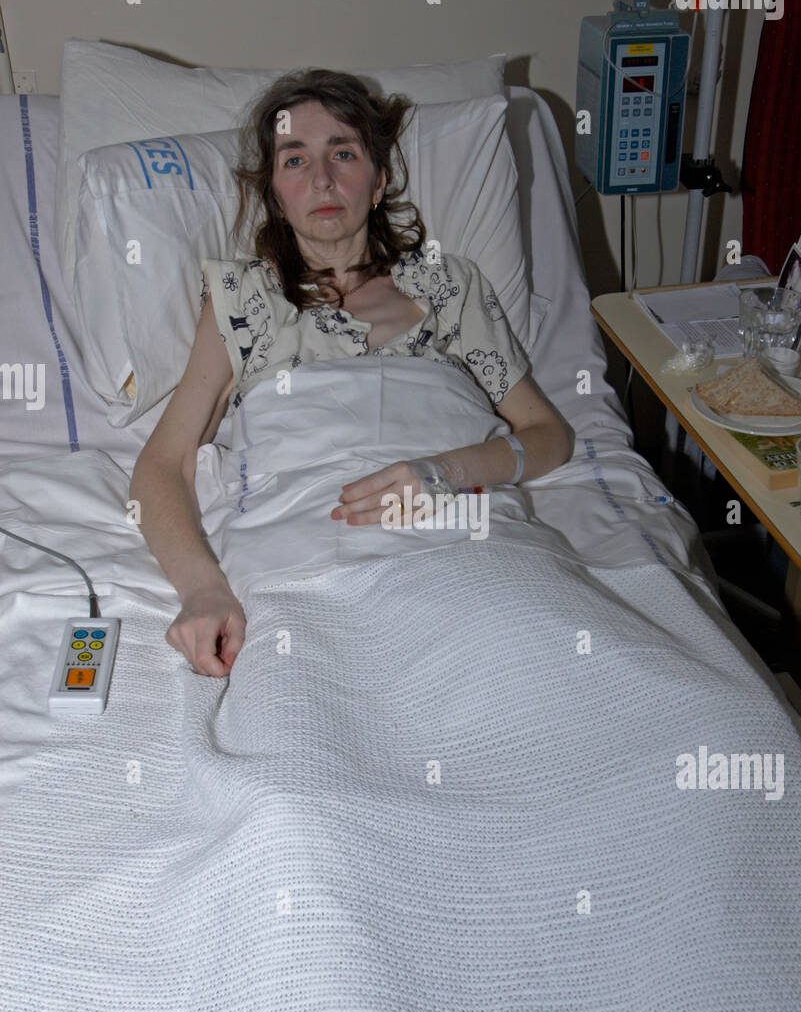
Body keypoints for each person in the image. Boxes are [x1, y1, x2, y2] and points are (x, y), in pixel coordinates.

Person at [129, 69, 574, 677]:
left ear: (378, 182)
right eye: (294, 161)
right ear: (276, 194)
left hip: (467, 543)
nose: (322, 179)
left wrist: (444, 472)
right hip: (309, 553)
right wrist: (202, 589)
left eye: (343, 153)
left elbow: (548, 435)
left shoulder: (448, 285)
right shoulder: (242, 300)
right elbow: (163, 463)